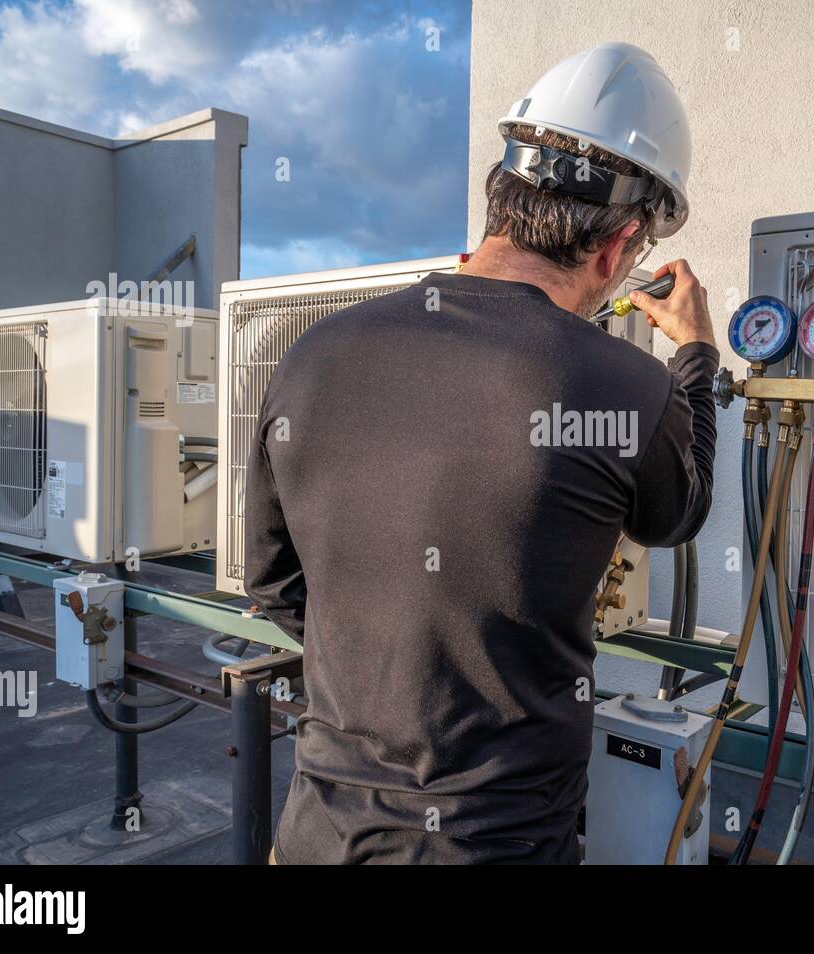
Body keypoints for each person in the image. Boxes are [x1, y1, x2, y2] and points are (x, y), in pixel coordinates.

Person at [246, 42, 717, 864]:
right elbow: (680, 511)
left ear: (501, 198)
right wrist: (697, 358)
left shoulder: (313, 354)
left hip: (317, 834)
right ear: (620, 246)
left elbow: (276, 586)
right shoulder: (625, 385)